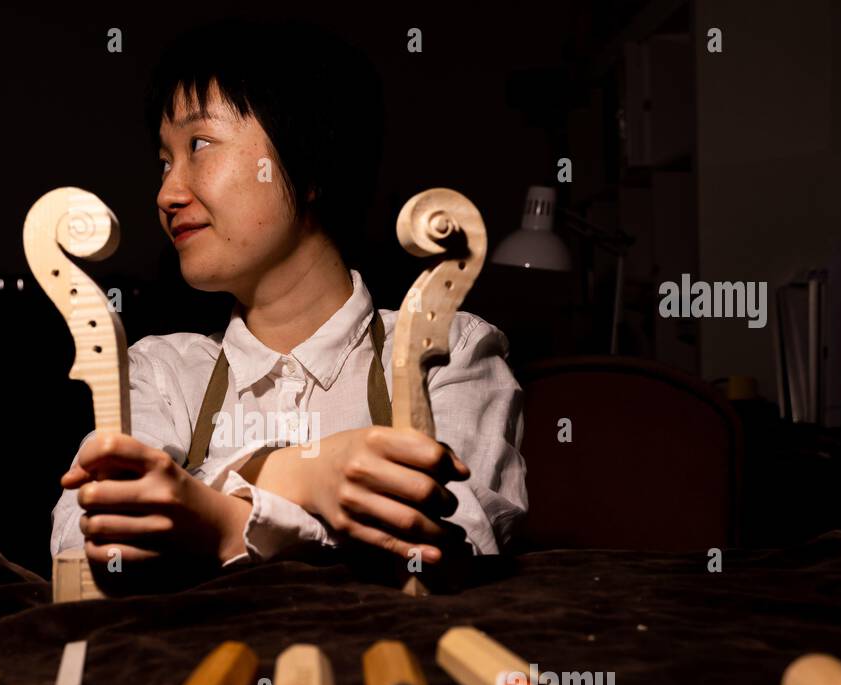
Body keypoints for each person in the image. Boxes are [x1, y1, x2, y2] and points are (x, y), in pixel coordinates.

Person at [50, 18, 526, 585]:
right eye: (164, 160)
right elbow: (80, 540)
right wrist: (298, 477)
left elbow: (460, 541)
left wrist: (223, 521)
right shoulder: (161, 373)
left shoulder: (447, 349)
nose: (166, 195)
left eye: (199, 145)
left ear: (311, 161)